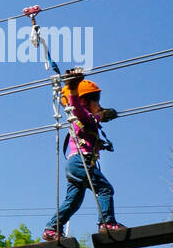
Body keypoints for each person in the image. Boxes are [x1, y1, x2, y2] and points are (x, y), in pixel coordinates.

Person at [42, 70, 125, 239]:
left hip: (76, 164)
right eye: (96, 100)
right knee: (104, 188)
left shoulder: (89, 122)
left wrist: (99, 143)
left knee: (73, 201)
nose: (99, 104)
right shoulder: (82, 115)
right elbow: (77, 107)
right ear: (86, 102)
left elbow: (98, 118)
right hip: (81, 162)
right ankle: (107, 223)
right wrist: (72, 87)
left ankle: (52, 229)